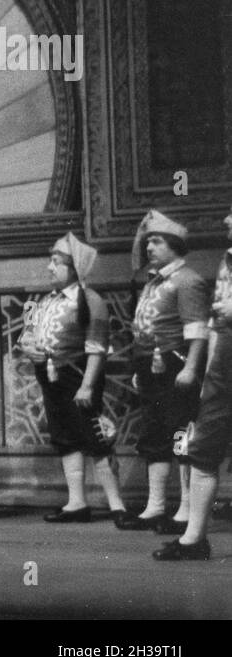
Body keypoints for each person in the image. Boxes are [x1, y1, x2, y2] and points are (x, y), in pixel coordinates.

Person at [19, 233, 127, 524]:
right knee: (65, 438)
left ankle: (118, 506)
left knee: (96, 439)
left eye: (56, 262)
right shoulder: (43, 301)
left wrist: (87, 386)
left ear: (74, 267)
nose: (49, 268)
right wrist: (32, 350)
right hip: (50, 380)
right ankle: (76, 503)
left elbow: (97, 349)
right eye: (50, 261)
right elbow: (26, 337)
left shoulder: (91, 300)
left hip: (78, 378)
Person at [116, 211, 209, 534]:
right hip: (151, 367)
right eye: (148, 242)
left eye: (156, 241)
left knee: (181, 434)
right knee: (154, 435)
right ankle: (154, 508)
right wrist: (139, 367)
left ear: (174, 245)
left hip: (176, 366)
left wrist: (192, 368)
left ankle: (184, 510)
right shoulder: (153, 281)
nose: (149, 247)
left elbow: (197, 330)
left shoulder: (188, 280)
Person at [155, 205, 232, 559]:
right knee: (202, 448)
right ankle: (194, 539)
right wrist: (208, 374)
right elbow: (217, 323)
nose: (227, 221)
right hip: (225, 365)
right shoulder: (227, 259)